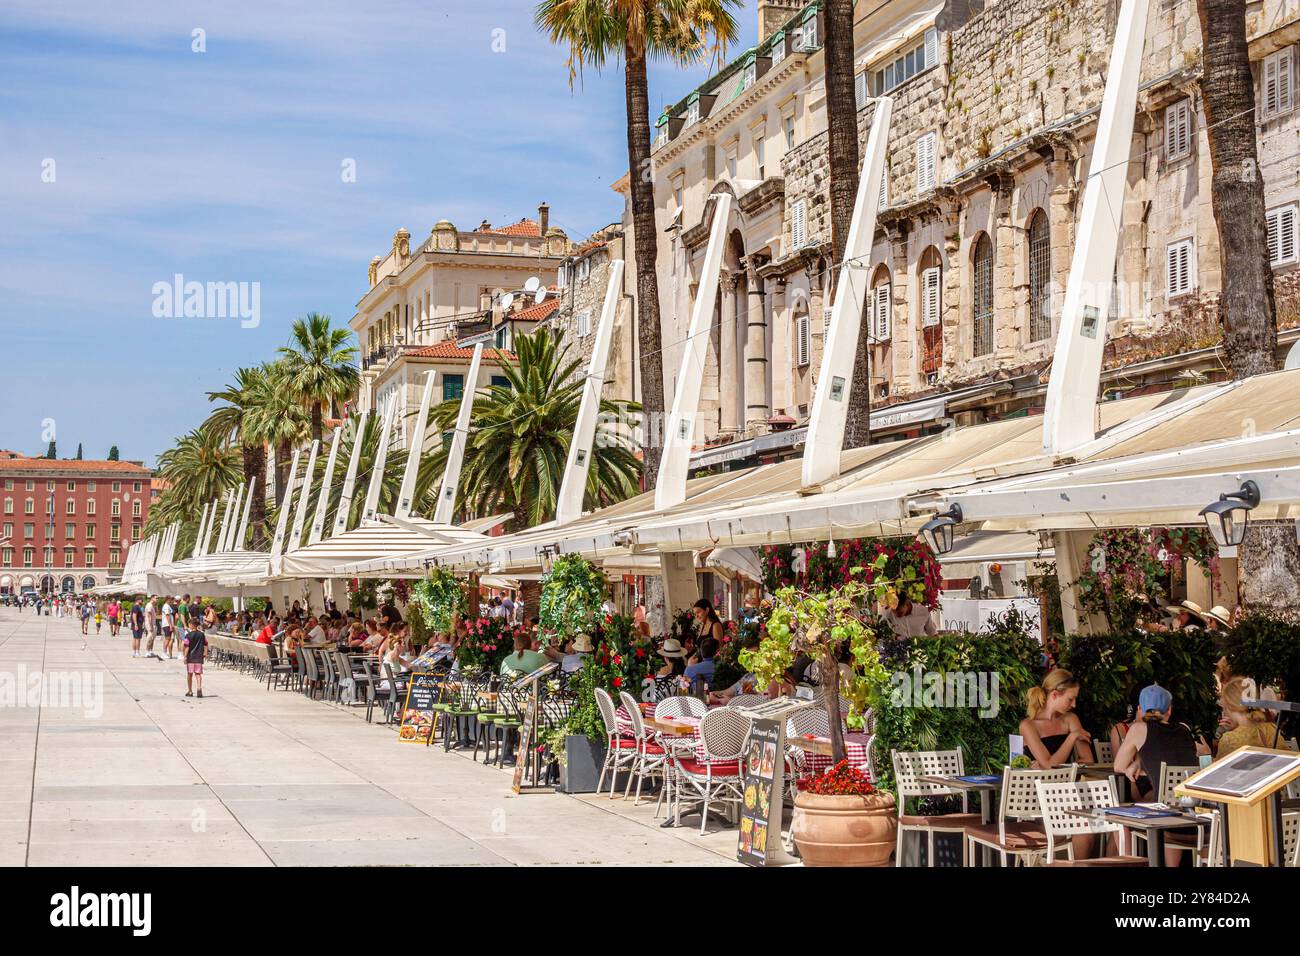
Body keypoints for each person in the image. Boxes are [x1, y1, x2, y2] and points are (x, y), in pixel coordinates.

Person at [1113, 684, 1205, 866]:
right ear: (1169, 709)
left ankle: (1133, 865)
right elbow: (1191, 753)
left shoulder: (1139, 729)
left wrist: (1136, 762)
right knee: (1170, 803)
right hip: (1194, 815)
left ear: (1139, 709)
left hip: (1164, 818)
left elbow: (1118, 766)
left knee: (1119, 820)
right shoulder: (1184, 729)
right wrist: (1141, 762)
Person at [1020, 669, 1096, 768]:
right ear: (1055, 695)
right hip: (1038, 782)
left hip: (1066, 782)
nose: (1074, 705)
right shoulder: (1028, 725)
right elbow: (1049, 766)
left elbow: (1088, 760)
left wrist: (1064, 770)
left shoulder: (1071, 719)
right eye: (1070, 699)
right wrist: (1072, 737)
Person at [1216, 678, 1294, 758]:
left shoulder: (1229, 740)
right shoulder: (1271, 728)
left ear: (1230, 706)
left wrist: (1205, 754)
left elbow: (1216, 770)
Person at [182, 614, 207, 698]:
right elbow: (206, 644)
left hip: (191, 657)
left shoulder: (188, 635)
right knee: (198, 674)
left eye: (189, 624)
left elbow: (186, 646)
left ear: (192, 625)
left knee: (189, 674)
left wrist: (185, 656)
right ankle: (199, 688)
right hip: (199, 657)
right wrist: (205, 653)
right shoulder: (202, 634)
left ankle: (190, 691)